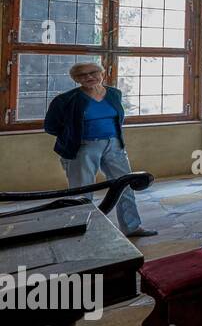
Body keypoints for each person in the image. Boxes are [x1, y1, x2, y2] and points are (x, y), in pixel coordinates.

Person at [43, 63, 155, 238]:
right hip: (83, 147)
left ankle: (132, 227)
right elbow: (51, 126)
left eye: (93, 73)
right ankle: (81, 228)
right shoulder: (66, 99)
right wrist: (74, 137)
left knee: (125, 185)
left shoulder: (113, 94)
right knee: (82, 190)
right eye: (81, 75)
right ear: (75, 79)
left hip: (114, 144)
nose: (88, 77)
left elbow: (119, 118)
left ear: (103, 73)